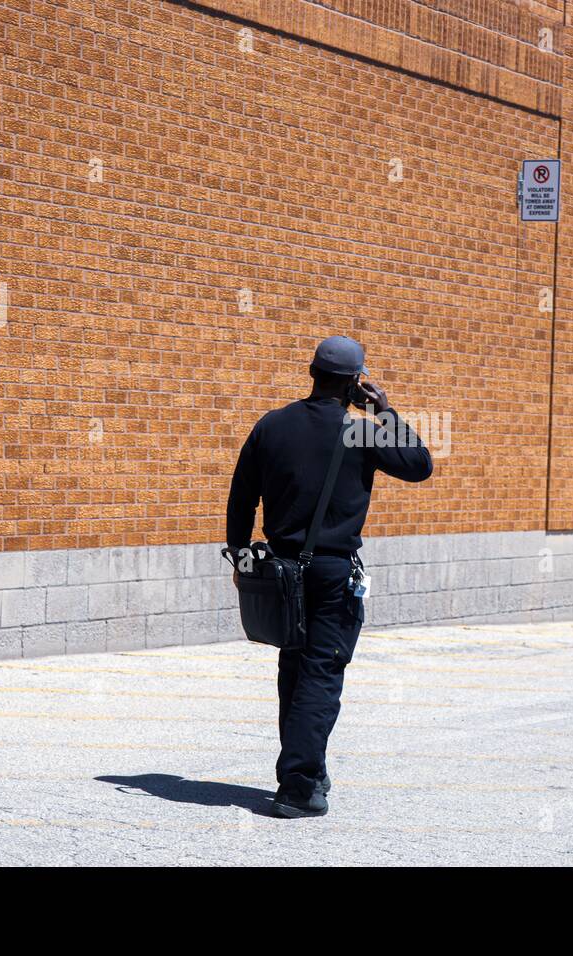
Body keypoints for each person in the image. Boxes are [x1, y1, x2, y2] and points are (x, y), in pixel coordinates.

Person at [226, 335, 434, 817]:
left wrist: (240, 560)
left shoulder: (271, 425)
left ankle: (308, 768)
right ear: (355, 382)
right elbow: (419, 465)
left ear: (312, 372)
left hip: (279, 571)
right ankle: (298, 786)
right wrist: (385, 410)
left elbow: (241, 498)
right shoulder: (361, 431)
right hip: (331, 571)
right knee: (320, 675)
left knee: (293, 672)